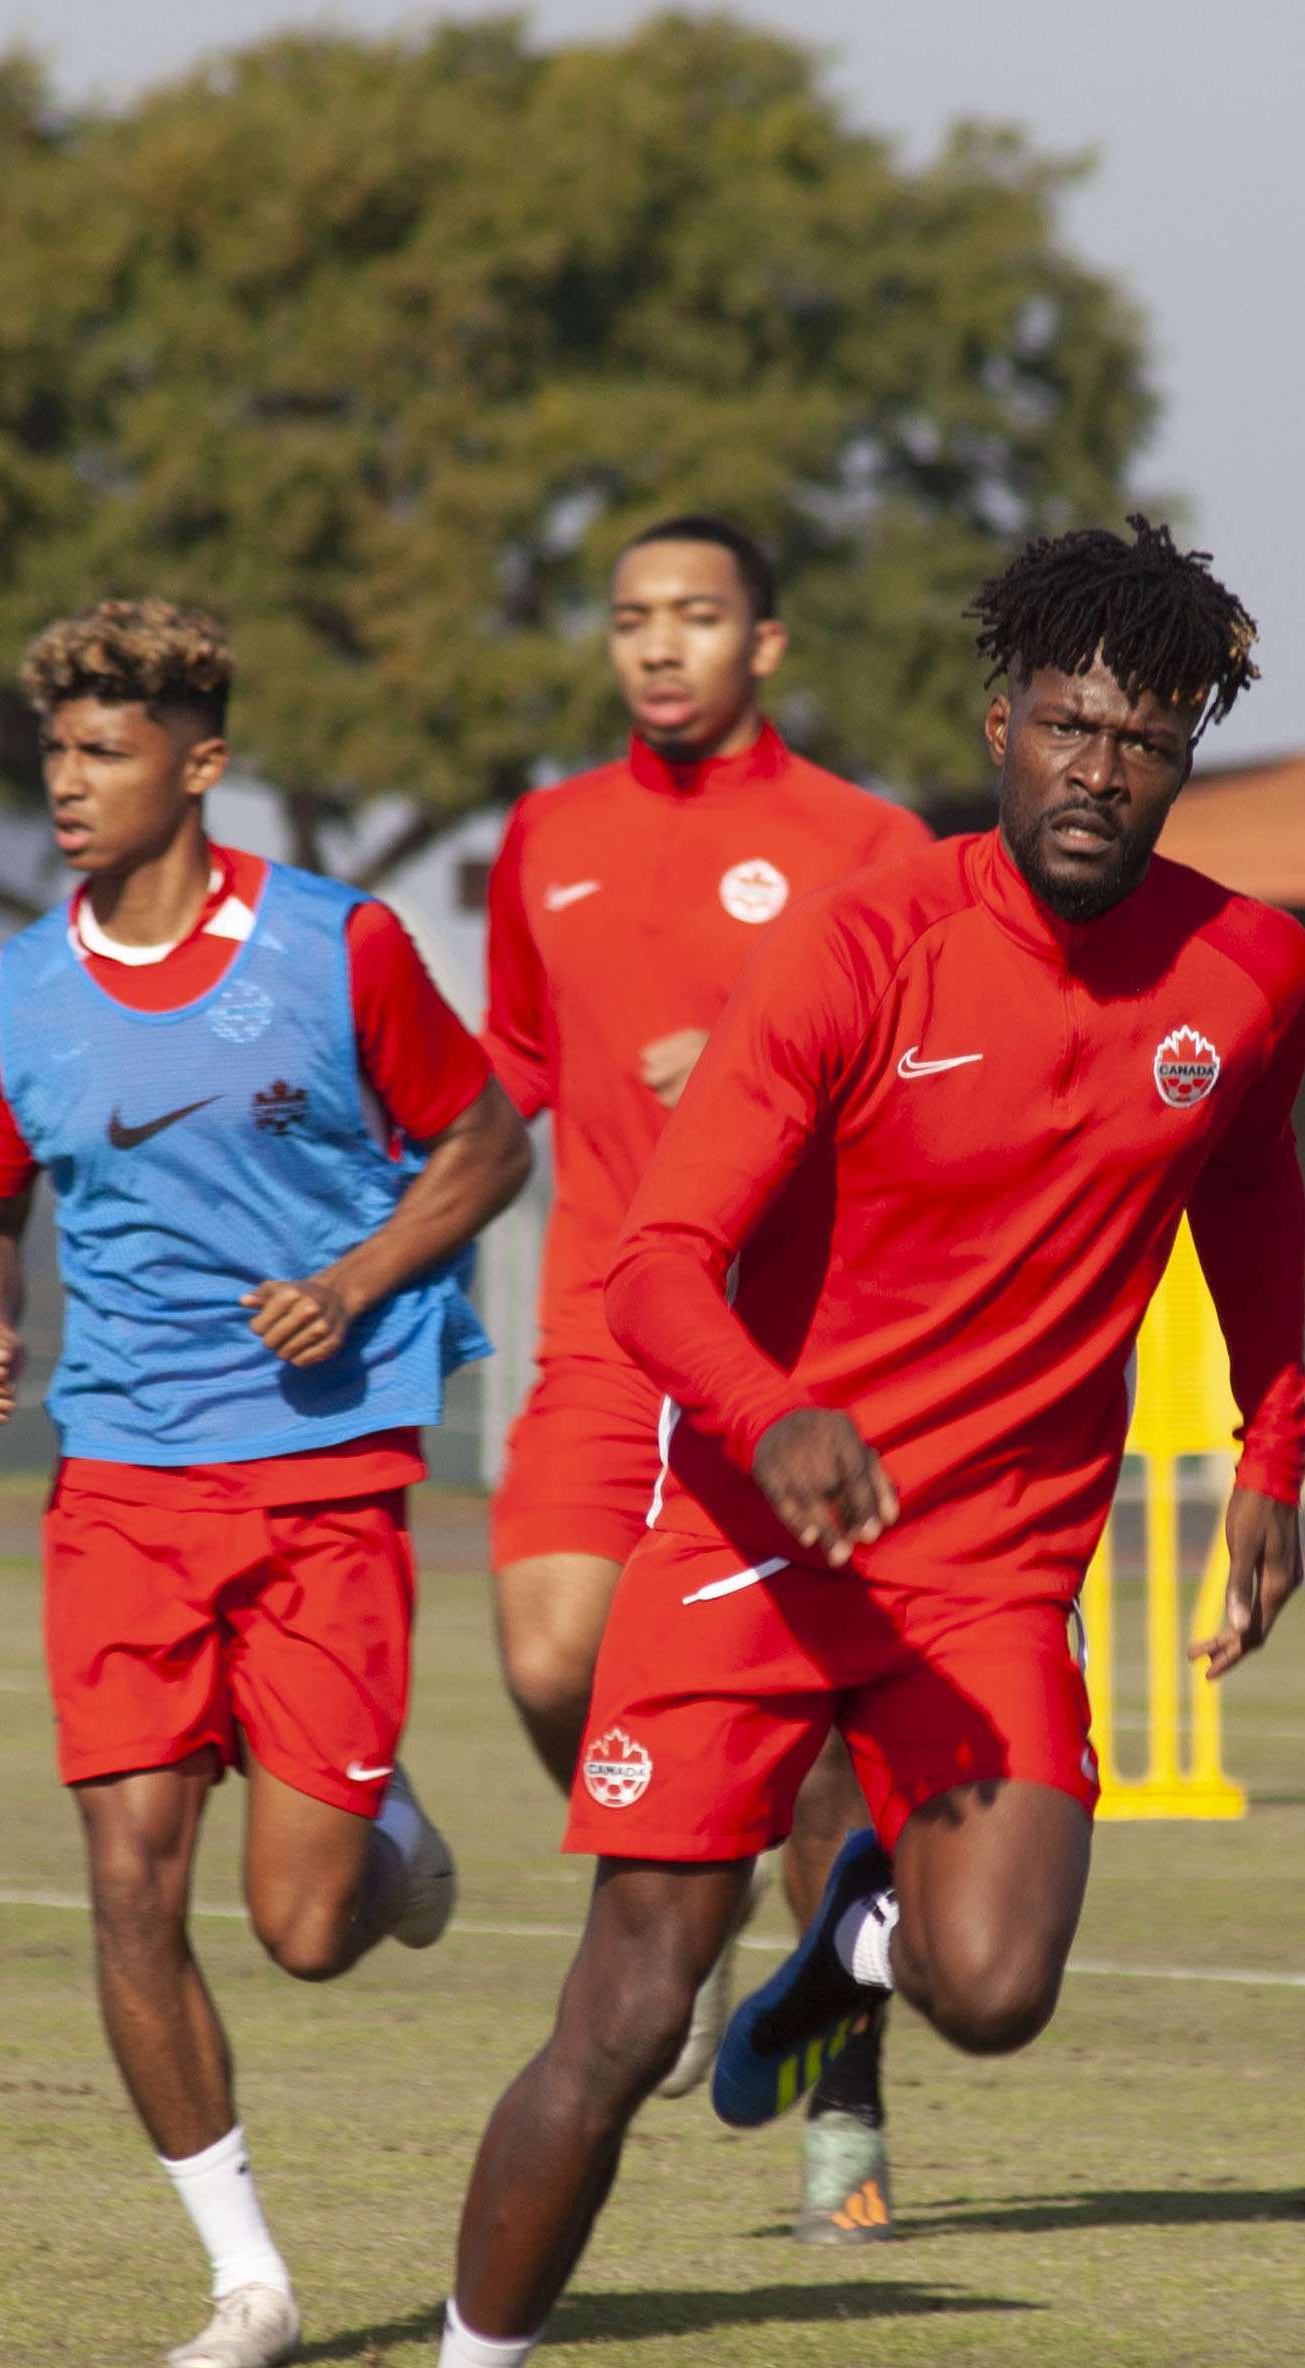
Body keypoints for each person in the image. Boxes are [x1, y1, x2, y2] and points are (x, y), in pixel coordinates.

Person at [381, 520, 1305, 2368]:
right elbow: (657, 1263)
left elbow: (1249, 1192)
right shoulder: (861, 943)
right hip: (753, 1540)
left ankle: (854, 1945)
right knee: (626, 2017)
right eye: (1067, 727)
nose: (1097, 772)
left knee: (999, 1992)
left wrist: (1272, 1440)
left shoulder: (1253, 975)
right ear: (998, 726)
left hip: (989, 1571)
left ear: (1184, 761)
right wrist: (772, 1416)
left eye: (1142, 742)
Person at [0, 598, 533, 2368]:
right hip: (120, 1483)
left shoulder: (340, 948)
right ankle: (247, 2279)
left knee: (306, 1931)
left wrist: (354, 1285)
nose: (67, 783)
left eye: (105, 752)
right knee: (129, 1876)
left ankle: (387, 1835)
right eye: (55, 751)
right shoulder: (15, 990)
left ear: (199, 765)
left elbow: (487, 1143)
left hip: (323, 1475)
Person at [480, 515, 933, 2242]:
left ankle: (845, 2111)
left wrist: (764, 1065)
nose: (660, 645)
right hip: (609, 1333)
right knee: (548, 1656)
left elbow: (929, 1088)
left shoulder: (867, 846)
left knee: (822, 1760)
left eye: (696, 615)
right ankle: (690, 1870)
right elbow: (514, 1069)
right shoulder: (549, 836)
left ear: (768, 643)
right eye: (630, 619)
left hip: (800, 1351)